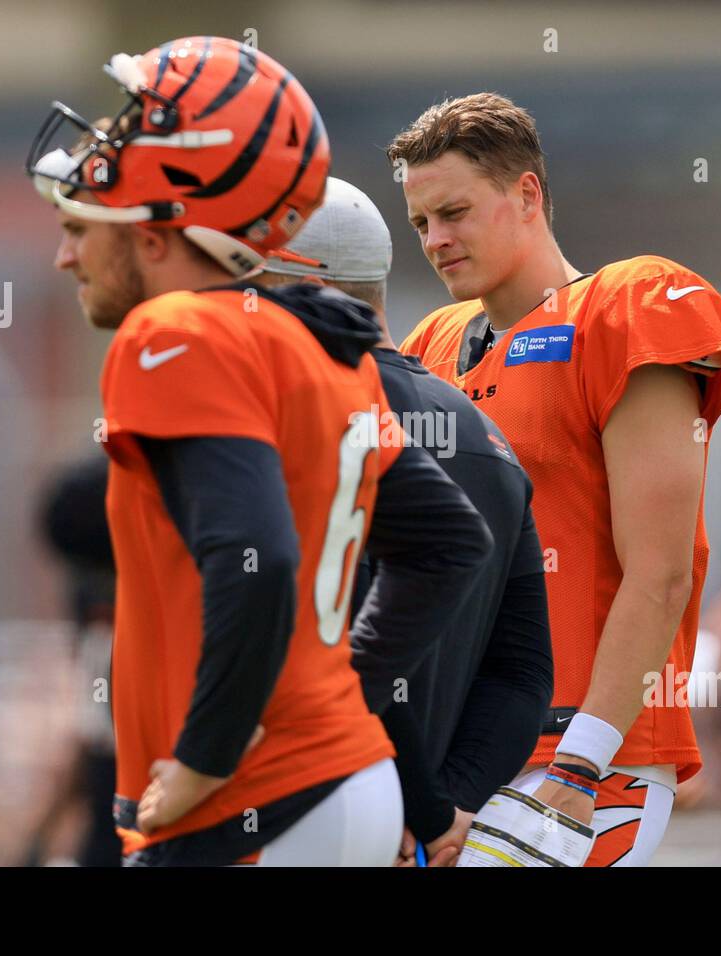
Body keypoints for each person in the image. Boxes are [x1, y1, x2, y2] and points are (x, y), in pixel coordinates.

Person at [27, 36, 491, 866]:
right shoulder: (311, 344)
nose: (66, 255)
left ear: (159, 220)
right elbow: (447, 544)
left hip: (257, 799)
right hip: (346, 785)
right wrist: (334, 688)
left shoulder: (174, 331)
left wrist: (210, 753)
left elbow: (258, 556)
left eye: (79, 226)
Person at [393, 93, 721, 865]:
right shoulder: (430, 343)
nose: (436, 240)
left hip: (580, 749)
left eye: (454, 212)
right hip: (455, 746)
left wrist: (584, 758)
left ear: (527, 194)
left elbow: (662, 569)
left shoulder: (627, 308)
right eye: (422, 223)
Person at [256, 176, 553, 866]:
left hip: (302, 814)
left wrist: (415, 801)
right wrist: (445, 813)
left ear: (287, 284)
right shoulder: (485, 438)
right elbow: (523, 676)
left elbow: (337, 643)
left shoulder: (297, 422)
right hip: (417, 838)